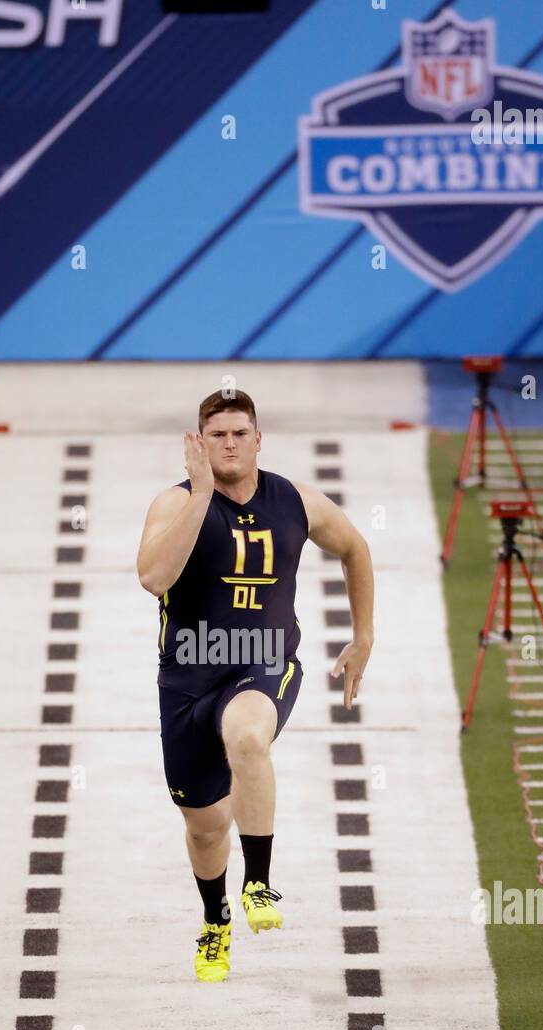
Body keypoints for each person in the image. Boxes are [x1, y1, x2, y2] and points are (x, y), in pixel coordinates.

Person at [137, 389, 374, 982]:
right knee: (205, 824)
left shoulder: (294, 499)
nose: (230, 443)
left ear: (259, 439)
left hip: (263, 662)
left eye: (240, 432)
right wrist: (199, 494)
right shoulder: (173, 504)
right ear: (199, 443)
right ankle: (215, 922)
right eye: (217, 435)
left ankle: (260, 883)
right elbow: (153, 577)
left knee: (248, 738)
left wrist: (362, 636)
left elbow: (354, 548)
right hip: (188, 673)